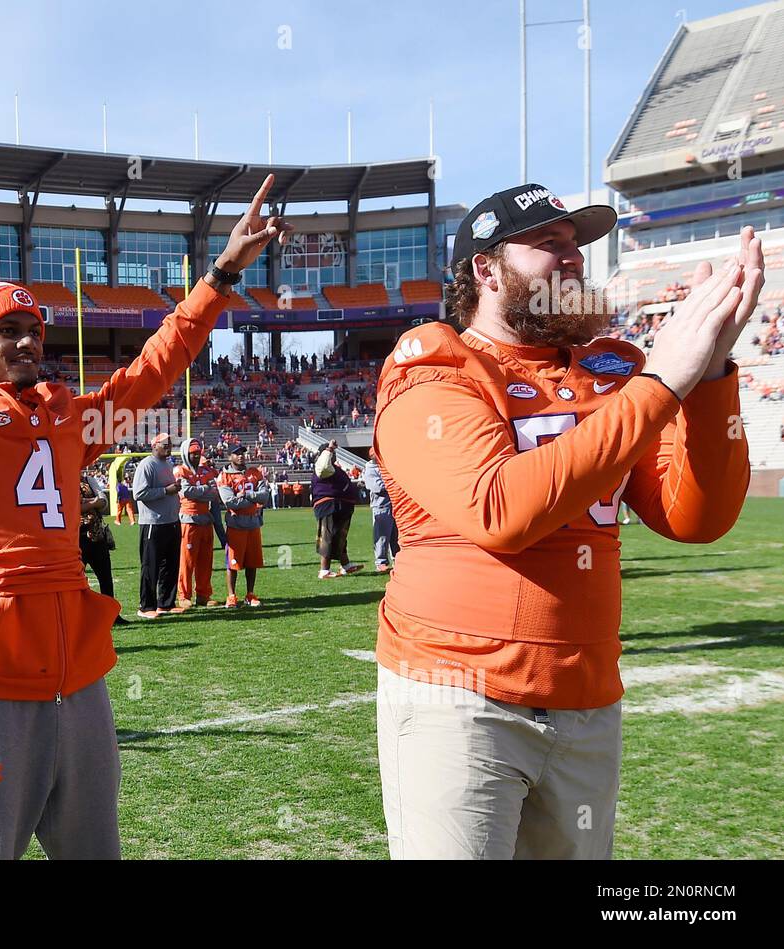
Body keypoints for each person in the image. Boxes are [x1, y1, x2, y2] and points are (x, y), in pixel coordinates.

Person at [0, 61, 290, 858]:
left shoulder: (68, 415)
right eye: (13, 330)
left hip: (81, 676)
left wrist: (219, 276)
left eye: (36, 326)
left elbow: (154, 366)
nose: (34, 339)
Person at [372, 183, 758, 859]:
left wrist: (714, 370)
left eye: (576, 243)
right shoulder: (434, 363)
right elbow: (501, 509)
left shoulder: (614, 375)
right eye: (548, 243)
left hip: (587, 700)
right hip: (460, 701)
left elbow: (695, 517)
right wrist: (664, 380)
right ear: (486, 270)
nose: (573, 257)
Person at [133, 432, 182, 619]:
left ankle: (166, 603)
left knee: (170, 565)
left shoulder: (167, 464)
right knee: (150, 566)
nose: (168, 447)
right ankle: (146, 606)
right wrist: (165, 491)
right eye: (164, 444)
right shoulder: (147, 465)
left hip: (170, 521)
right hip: (153, 522)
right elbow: (139, 493)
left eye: (170, 444)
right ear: (154, 446)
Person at [217, 444, 270, 607]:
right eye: (236, 453)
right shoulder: (224, 476)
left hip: (253, 524)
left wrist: (246, 495)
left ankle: (250, 594)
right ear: (229, 457)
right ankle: (231, 595)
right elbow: (230, 501)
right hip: (236, 524)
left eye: (242, 453)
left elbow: (264, 497)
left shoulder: (255, 473)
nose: (241, 456)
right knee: (232, 563)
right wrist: (252, 499)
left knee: (252, 562)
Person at [173, 437, 219, 608]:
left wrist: (201, 491)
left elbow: (214, 493)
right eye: (192, 454)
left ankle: (203, 594)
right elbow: (187, 493)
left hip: (205, 519)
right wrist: (204, 489)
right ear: (186, 454)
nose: (196, 456)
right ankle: (184, 595)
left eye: (198, 453)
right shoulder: (179, 470)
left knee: (206, 560)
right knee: (187, 560)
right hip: (188, 519)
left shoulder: (205, 470)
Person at [79, 472, 126, 624]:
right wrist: (93, 502)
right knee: (78, 580)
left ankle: (112, 615)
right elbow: (71, 506)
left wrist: (87, 503)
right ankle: (80, 615)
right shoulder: (64, 481)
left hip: (97, 535)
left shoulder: (89, 480)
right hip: (77, 537)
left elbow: (103, 501)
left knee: (106, 578)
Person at [311, 441, 362, 579]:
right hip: (329, 505)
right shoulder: (321, 466)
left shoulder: (334, 468)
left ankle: (345, 565)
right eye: (331, 453)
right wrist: (329, 449)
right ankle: (324, 570)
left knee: (340, 537)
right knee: (327, 536)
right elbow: (323, 467)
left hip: (341, 505)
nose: (333, 455)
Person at [361, 452, 397, 573]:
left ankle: (397, 558)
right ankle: (381, 562)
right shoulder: (370, 469)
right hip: (381, 505)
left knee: (395, 535)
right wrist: (392, 484)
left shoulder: (387, 466)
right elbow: (377, 487)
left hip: (394, 504)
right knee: (382, 535)